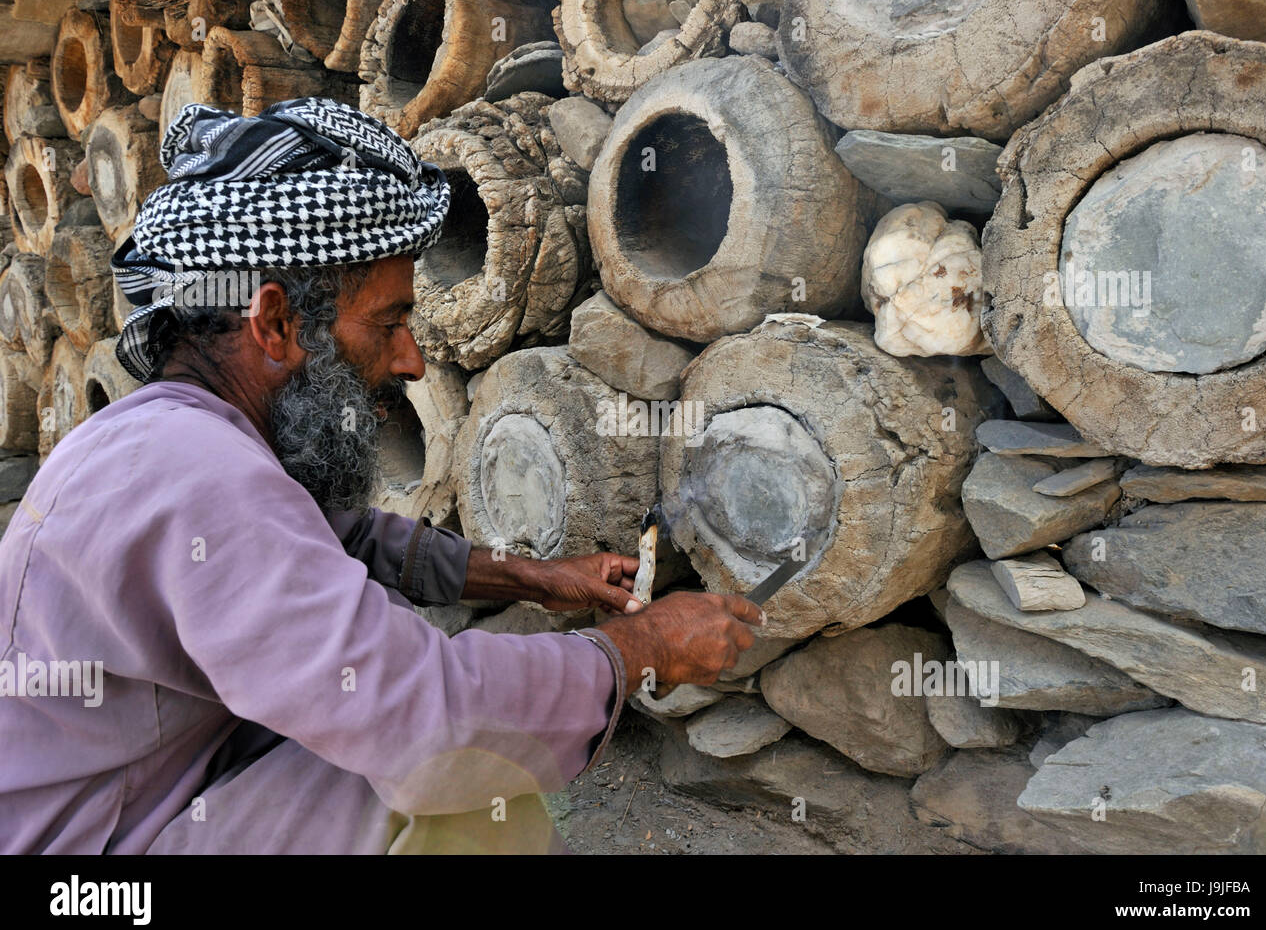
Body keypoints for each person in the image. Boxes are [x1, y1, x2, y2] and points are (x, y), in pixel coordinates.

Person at [0, 97, 759, 854]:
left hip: (145, 809)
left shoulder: (172, 438)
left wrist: (539, 578)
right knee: (455, 793)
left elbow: (344, 538)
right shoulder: (201, 478)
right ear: (275, 324)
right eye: (389, 323)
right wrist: (642, 647)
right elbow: (433, 723)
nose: (412, 361)